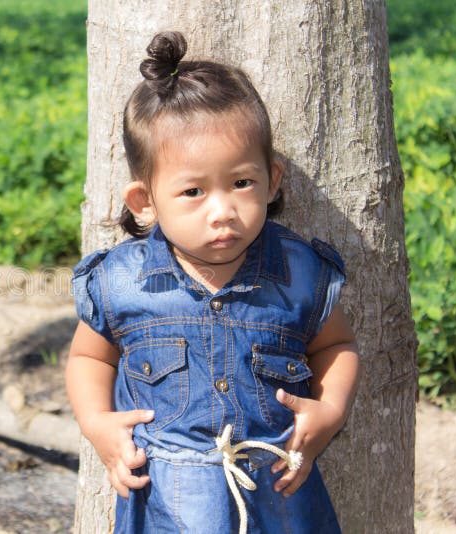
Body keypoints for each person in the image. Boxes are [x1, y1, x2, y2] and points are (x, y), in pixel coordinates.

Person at [65, 31, 359, 533]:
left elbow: (338, 345)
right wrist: (97, 424)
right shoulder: (122, 282)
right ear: (145, 202)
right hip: (169, 506)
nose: (223, 211)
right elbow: (89, 356)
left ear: (272, 179)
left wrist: (329, 410)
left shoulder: (299, 273)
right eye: (193, 191)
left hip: (278, 494)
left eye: (242, 183)